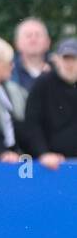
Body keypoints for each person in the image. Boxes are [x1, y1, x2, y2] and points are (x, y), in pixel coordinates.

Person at [24, 37, 77, 169]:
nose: (69, 64)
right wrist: (43, 153)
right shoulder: (42, 84)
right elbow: (32, 122)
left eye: (73, 59)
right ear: (57, 60)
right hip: (50, 164)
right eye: (66, 58)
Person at [11, 17, 51, 93]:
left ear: (48, 42)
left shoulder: (59, 68)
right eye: (28, 35)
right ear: (16, 43)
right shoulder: (9, 72)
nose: (33, 39)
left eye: (38, 35)